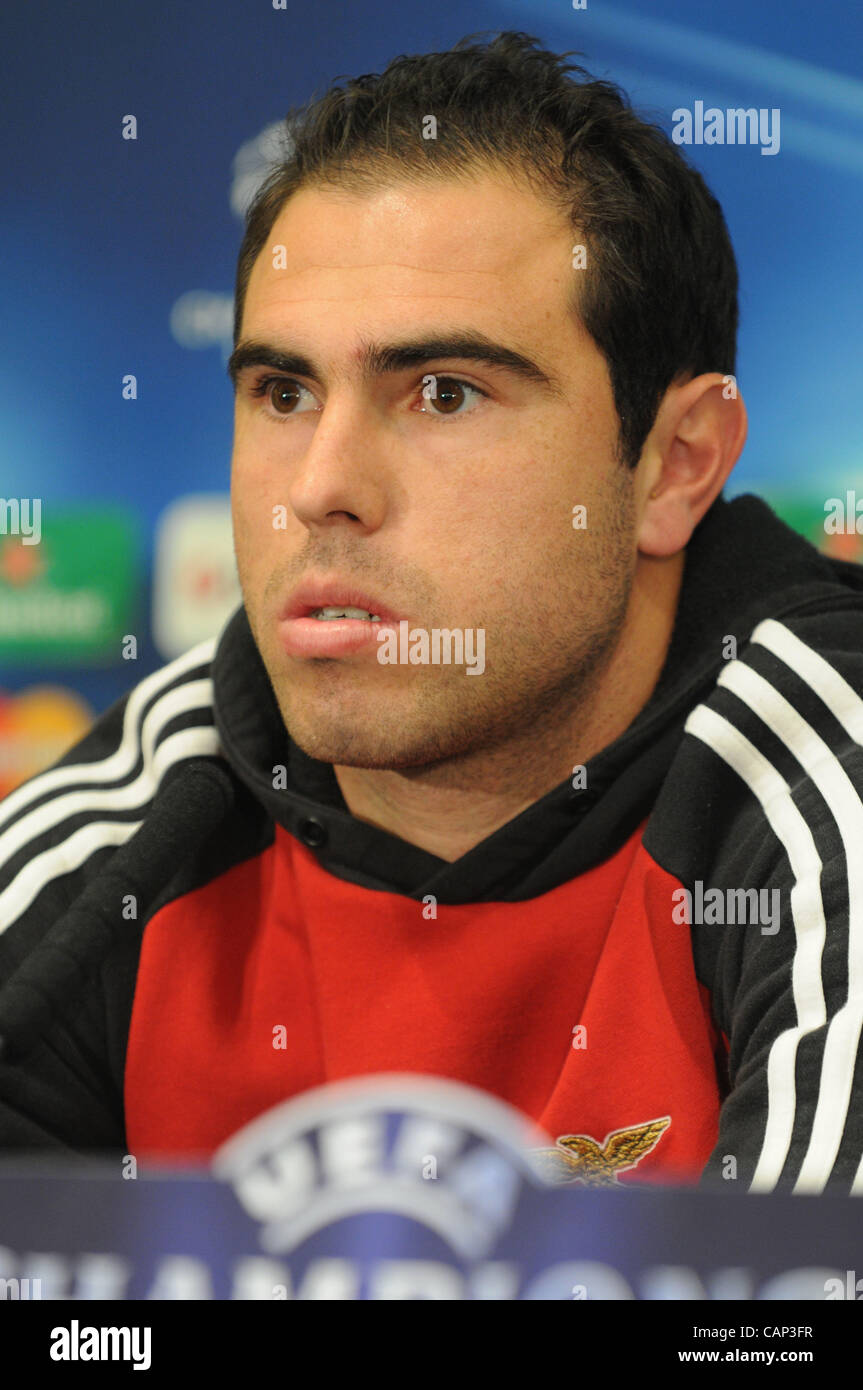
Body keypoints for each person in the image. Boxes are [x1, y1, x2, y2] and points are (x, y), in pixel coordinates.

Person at [1, 31, 861, 1195]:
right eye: (282, 391)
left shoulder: (825, 793)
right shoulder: (128, 829)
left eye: (443, 393)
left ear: (672, 464)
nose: (319, 488)